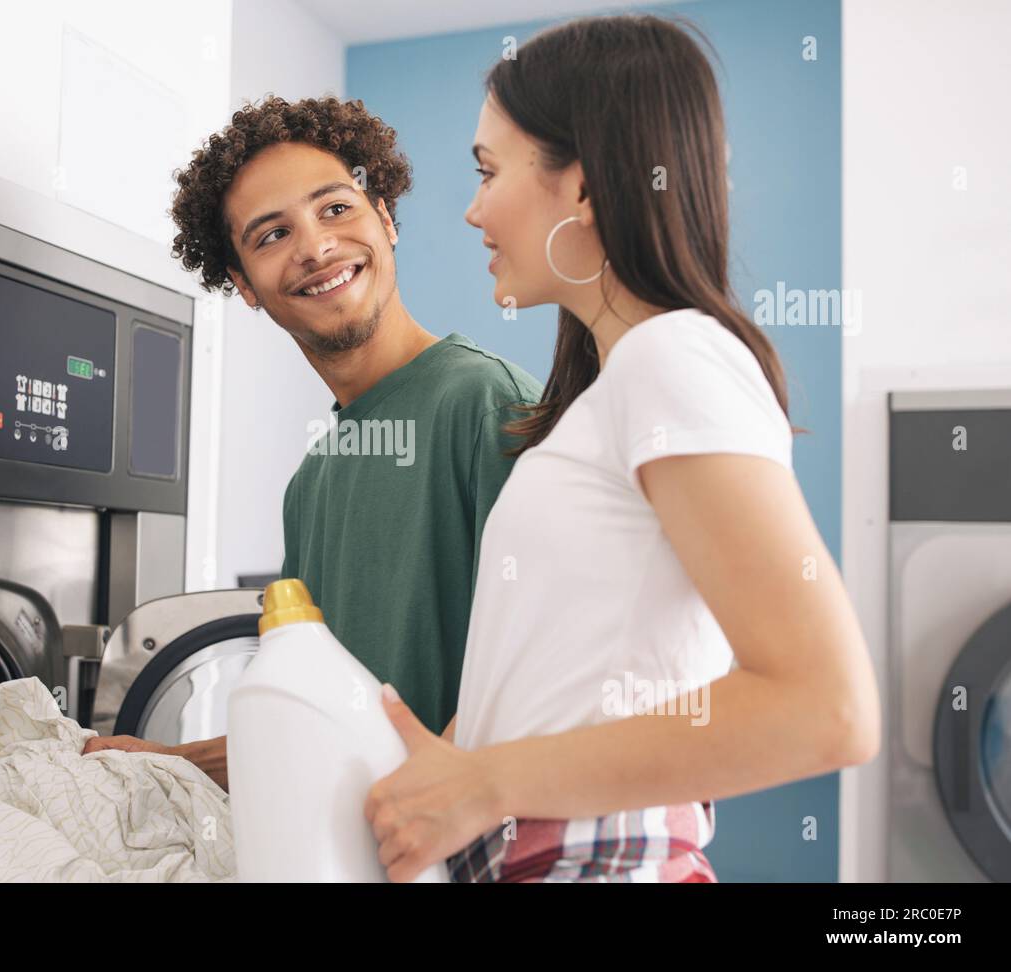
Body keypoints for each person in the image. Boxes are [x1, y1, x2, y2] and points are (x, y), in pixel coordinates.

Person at [363, 14, 881, 883]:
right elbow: (550, 685)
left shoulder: (673, 355)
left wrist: (485, 781)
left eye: (490, 171)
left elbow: (827, 707)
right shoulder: (612, 393)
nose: (472, 207)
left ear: (590, 186)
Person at [85, 97, 542, 790]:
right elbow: (316, 729)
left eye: (336, 209)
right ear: (244, 286)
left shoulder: (490, 404)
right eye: (271, 235)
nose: (314, 247)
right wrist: (160, 765)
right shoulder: (312, 487)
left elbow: (548, 679)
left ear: (385, 219)